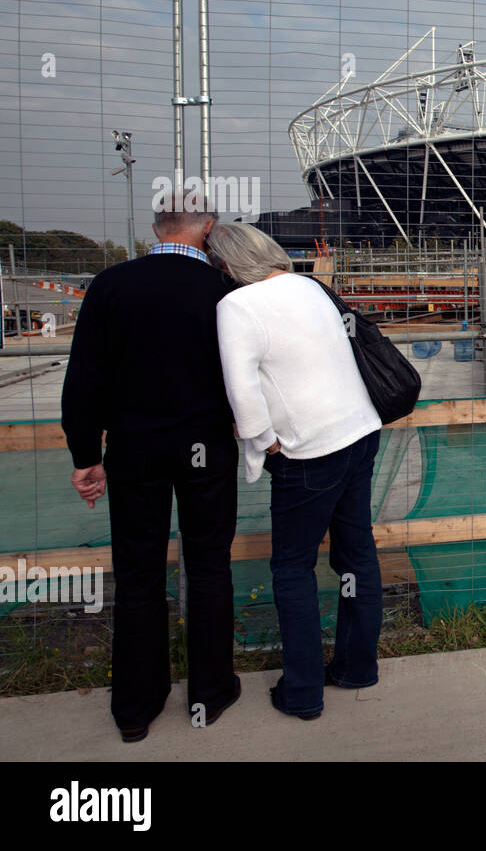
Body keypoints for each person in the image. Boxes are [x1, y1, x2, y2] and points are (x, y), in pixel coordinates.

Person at [62, 191, 241, 743]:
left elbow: (84, 379)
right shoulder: (225, 290)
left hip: (135, 449)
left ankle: (136, 708)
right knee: (209, 565)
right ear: (207, 227)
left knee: (138, 574)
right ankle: (210, 693)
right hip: (206, 448)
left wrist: (86, 456)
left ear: (158, 227)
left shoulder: (111, 285)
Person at [206, 222, 383, 720]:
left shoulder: (235, 307)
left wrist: (266, 443)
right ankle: (356, 667)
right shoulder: (309, 286)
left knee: (291, 569)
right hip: (359, 430)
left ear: (225, 266)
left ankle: (303, 692)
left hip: (308, 451)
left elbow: (240, 389)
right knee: (356, 554)